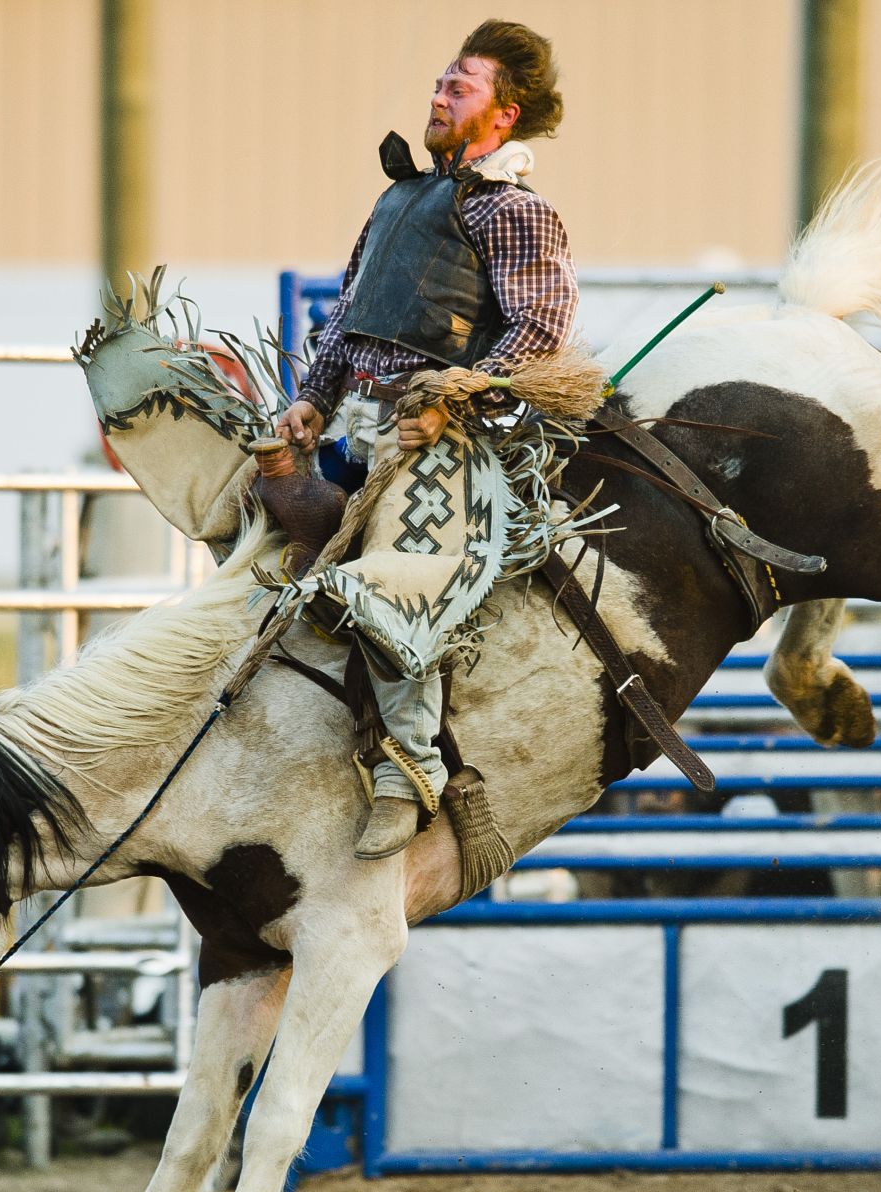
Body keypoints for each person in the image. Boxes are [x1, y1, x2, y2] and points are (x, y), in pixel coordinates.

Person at [272, 18, 578, 859]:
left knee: (398, 575)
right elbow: (351, 316)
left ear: (504, 115)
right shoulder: (397, 197)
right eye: (441, 81)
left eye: (461, 86)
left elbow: (542, 326)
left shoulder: (516, 211)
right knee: (258, 519)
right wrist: (312, 400)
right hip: (362, 425)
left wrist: (456, 394)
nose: (439, 95)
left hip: (444, 440)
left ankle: (408, 774)